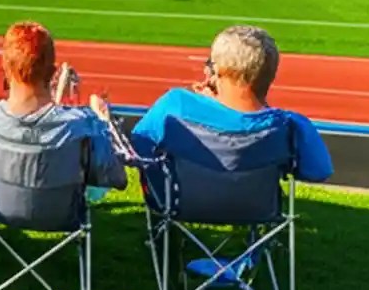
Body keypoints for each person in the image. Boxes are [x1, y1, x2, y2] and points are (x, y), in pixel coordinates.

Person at [131, 25, 333, 183]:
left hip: (183, 202)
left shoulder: (177, 104)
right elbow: (318, 172)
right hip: (257, 208)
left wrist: (205, 105)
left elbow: (139, 151)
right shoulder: (290, 125)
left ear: (217, 71)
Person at [0, 22, 126, 197]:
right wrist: (104, 122)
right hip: (62, 216)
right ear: (52, 72)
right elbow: (117, 178)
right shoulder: (82, 125)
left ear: (6, 69)